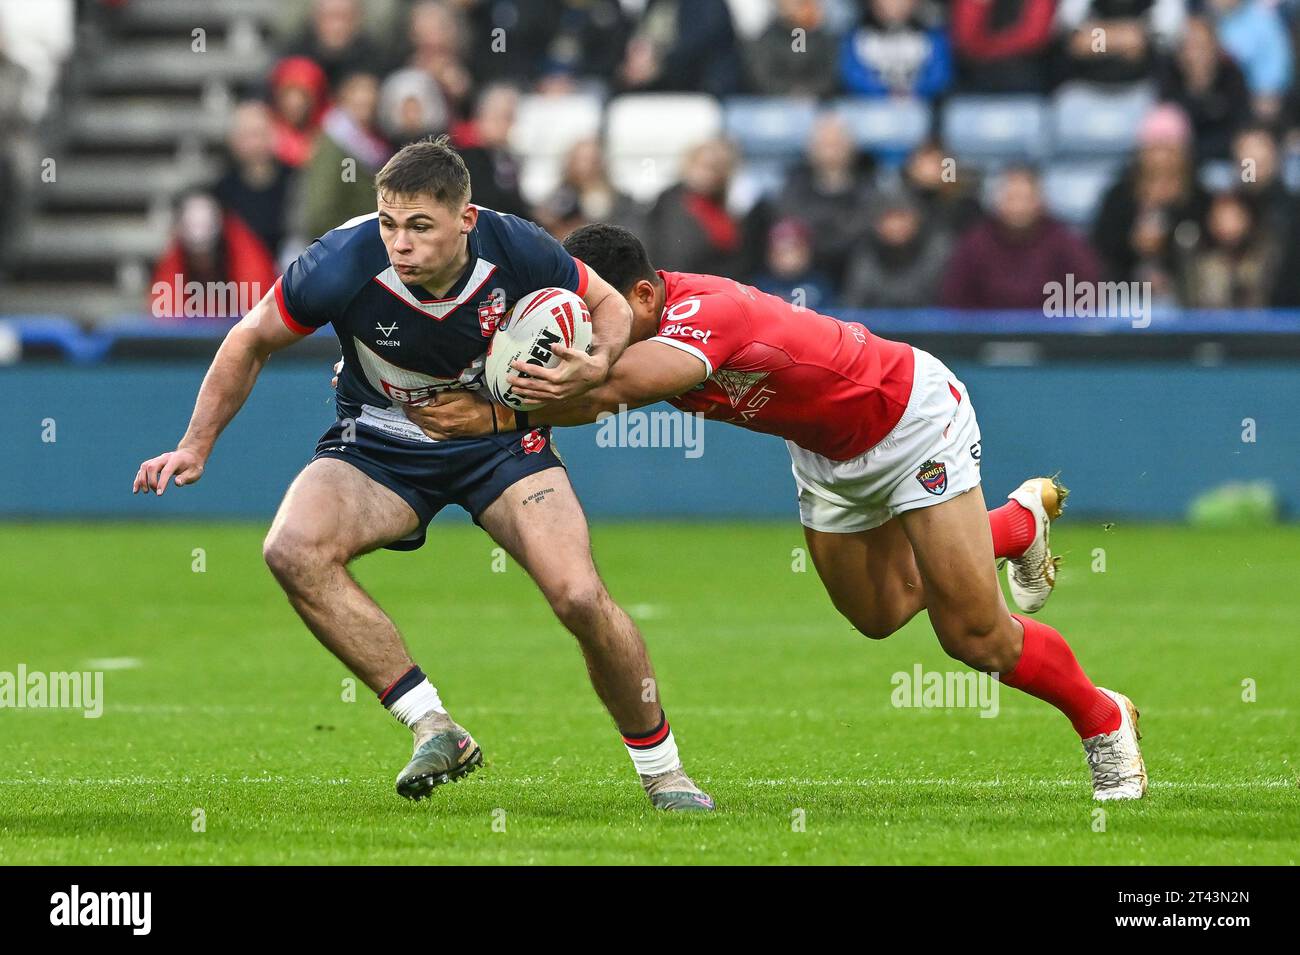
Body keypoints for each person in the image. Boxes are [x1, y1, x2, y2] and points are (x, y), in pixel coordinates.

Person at [404, 223, 1148, 802]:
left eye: (598, 315)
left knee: (973, 633)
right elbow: (585, 394)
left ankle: (1103, 718)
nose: (589, 331)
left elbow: (610, 391)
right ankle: (1016, 523)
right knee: (881, 613)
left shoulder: (706, 312)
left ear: (639, 295)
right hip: (825, 457)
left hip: (909, 417)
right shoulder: (625, 327)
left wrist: (495, 406)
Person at [132, 138, 714, 812]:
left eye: (418, 226)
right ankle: (434, 724)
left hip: (502, 444)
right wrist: (195, 445)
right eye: (388, 223)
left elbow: (609, 305)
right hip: (380, 441)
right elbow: (250, 338)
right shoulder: (341, 263)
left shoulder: (518, 247)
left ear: (465, 220)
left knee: (579, 596)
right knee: (292, 549)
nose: (398, 243)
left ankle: (665, 772)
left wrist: (597, 360)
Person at [941, 165, 1100, 309]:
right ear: (998, 202)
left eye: (1025, 199)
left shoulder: (1063, 242)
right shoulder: (975, 243)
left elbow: (1089, 292)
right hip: (985, 334)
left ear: (1040, 202)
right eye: (1011, 198)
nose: (1018, 207)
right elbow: (954, 298)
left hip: (1050, 333)